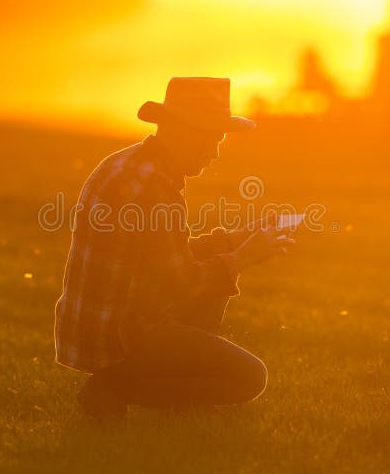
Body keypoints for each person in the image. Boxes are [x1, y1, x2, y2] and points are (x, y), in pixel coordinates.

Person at [54, 77, 294, 419]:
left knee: (217, 272)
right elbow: (181, 281)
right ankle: (118, 387)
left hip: (96, 331)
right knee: (251, 378)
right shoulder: (155, 188)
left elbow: (161, 257)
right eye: (212, 140)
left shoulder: (130, 164)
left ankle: (164, 393)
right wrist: (244, 256)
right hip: (120, 339)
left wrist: (233, 240)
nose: (214, 154)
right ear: (187, 133)